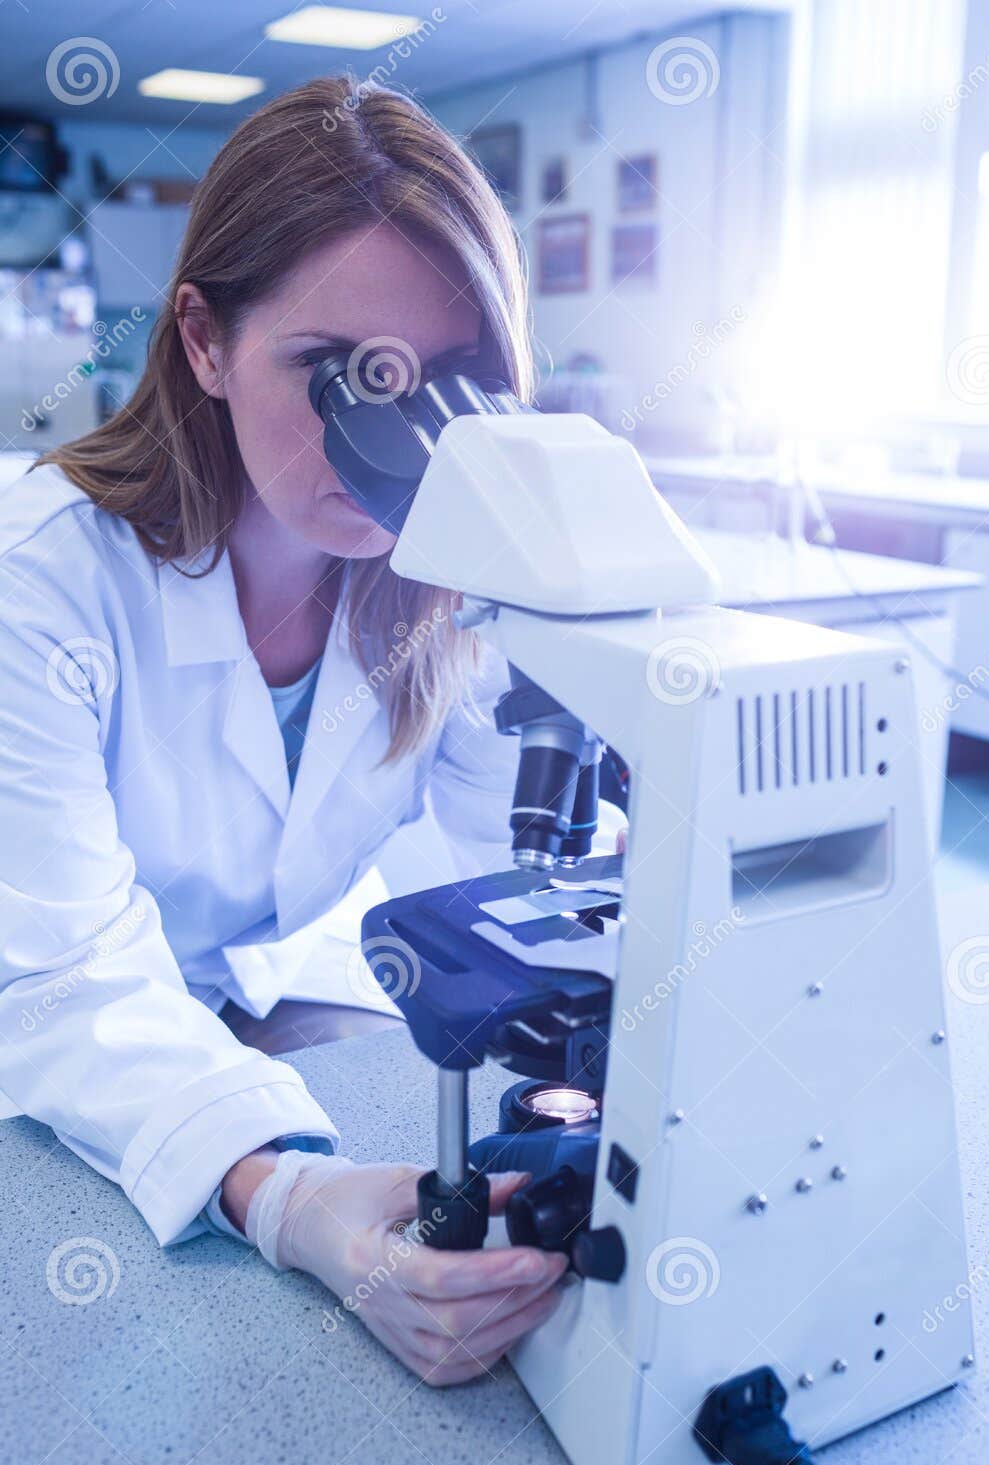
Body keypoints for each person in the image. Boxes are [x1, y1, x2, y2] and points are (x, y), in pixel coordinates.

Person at [0, 76, 568, 1385]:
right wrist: (293, 1199)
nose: (395, 442)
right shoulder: (44, 584)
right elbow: (65, 981)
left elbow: (520, 883)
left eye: (442, 384)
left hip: (240, 994)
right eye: (341, 375)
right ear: (204, 342)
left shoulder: (441, 583)